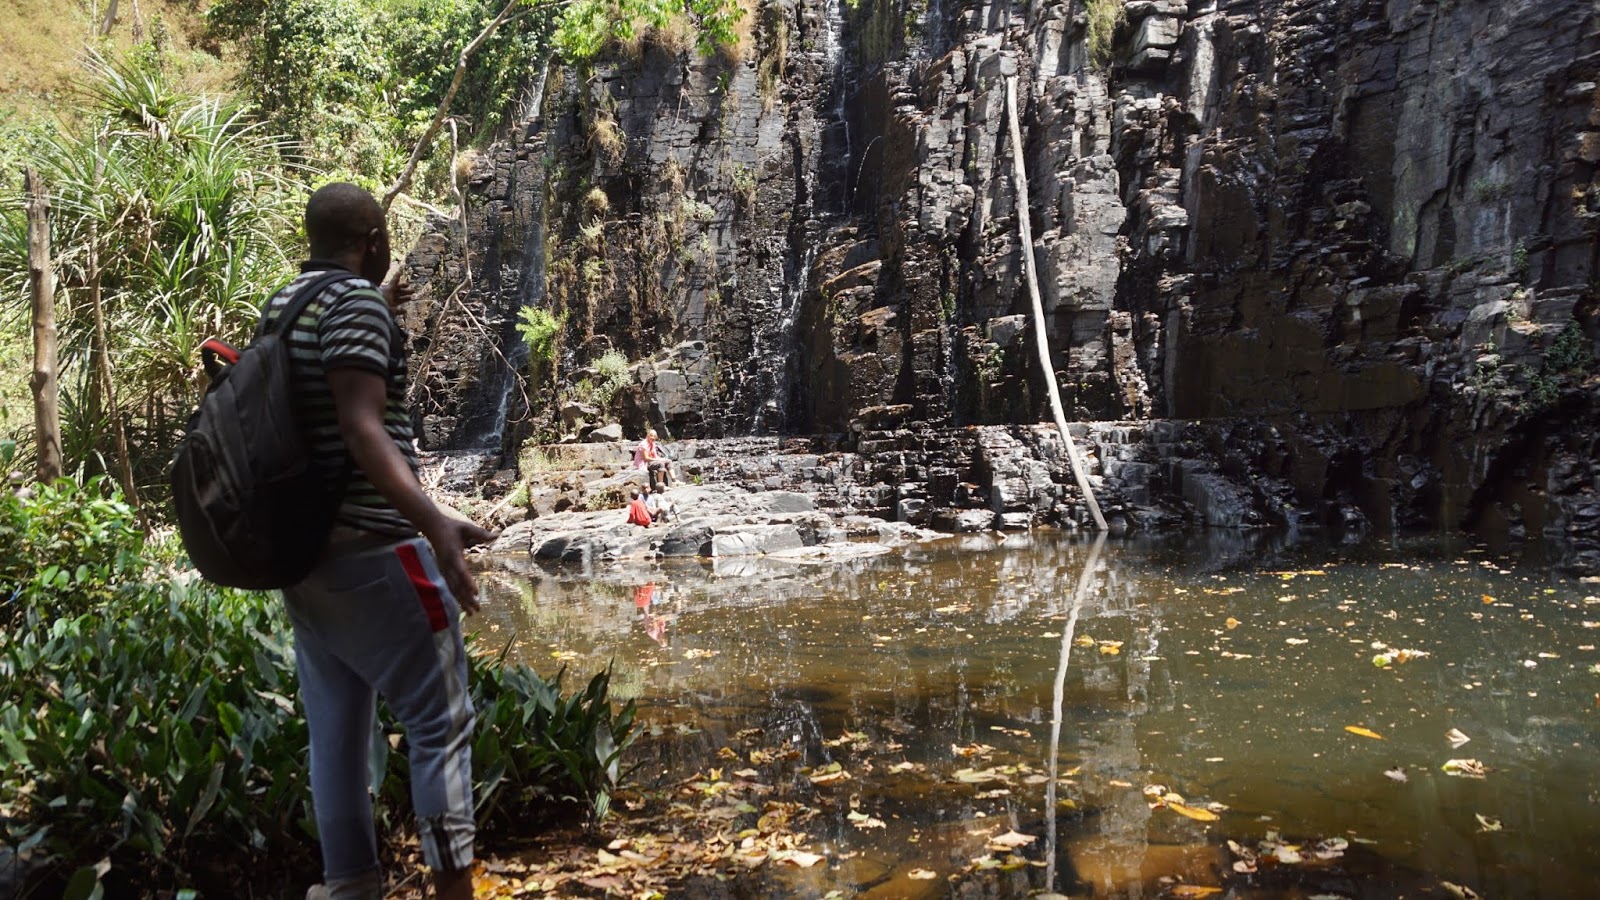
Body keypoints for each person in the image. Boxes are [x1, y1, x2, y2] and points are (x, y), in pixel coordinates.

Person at [266, 183, 495, 900]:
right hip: (376, 547)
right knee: (441, 721)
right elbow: (363, 427)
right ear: (372, 238)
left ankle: (351, 887)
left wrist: (377, 316)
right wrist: (434, 521)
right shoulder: (357, 305)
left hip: (306, 558)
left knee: (335, 734)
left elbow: (314, 405)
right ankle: (453, 892)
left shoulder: (286, 305)